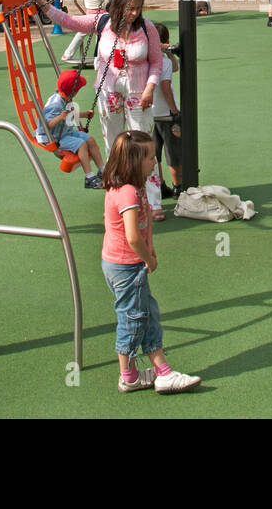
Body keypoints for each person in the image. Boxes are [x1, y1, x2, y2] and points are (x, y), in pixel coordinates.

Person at [35, 0, 164, 214]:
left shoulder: (146, 28)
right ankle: (118, 198)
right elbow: (68, 21)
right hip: (109, 92)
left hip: (138, 94)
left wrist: (150, 88)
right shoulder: (103, 23)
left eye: (137, 8)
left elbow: (155, 61)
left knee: (143, 143)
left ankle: (152, 201)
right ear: (118, 6)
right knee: (114, 144)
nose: (133, 13)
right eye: (129, 8)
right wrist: (42, 4)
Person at [100, 130, 202, 394]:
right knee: (133, 318)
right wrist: (147, 257)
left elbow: (145, 216)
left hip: (127, 263)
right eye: (148, 157)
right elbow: (133, 237)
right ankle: (131, 376)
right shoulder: (126, 193)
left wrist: (151, 247)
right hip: (126, 266)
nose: (154, 161)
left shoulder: (136, 187)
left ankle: (157, 371)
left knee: (147, 314)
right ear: (133, 162)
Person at [36, 69, 105, 188]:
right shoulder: (54, 105)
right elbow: (45, 126)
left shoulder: (65, 98)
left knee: (91, 140)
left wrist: (84, 114)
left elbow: (70, 115)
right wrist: (60, 117)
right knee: (82, 144)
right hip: (54, 137)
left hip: (66, 131)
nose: (76, 94)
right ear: (71, 91)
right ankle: (89, 177)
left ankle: (103, 170)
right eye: (76, 91)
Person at [150, 22, 182, 208]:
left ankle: (159, 185)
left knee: (155, 154)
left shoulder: (148, 59)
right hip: (166, 115)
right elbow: (165, 87)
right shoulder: (164, 62)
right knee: (173, 153)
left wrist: (167, 51)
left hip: (149, 114)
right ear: (166, 41)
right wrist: (174, 110)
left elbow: (175, 67)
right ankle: (178, 186)